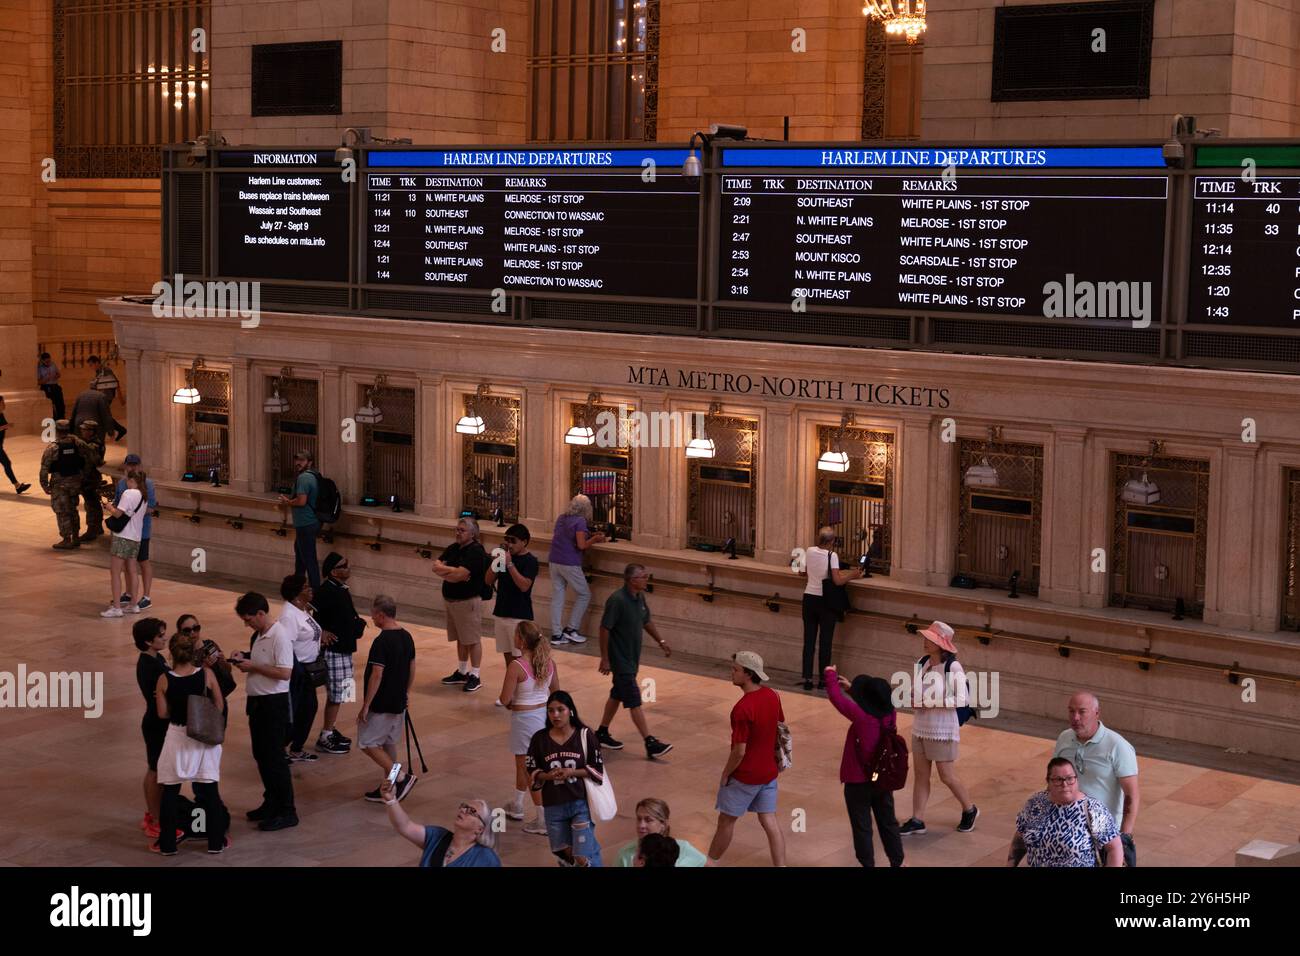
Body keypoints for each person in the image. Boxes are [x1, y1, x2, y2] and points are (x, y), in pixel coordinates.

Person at [707, 651, 787, 867]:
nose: (731, 672)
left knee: (725, 821)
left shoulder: (742, 709)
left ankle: (710, 864)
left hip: (746, 776)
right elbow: (778, 724)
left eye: (735, 669)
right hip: (769, 772)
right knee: (769, 820)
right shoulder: (773, 695)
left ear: (749, 674)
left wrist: (726, 773)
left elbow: (739, 751)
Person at [899, 620, 979, 835]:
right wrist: (914, 698)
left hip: (942, 729)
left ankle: (969, 809)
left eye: (930, 640)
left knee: (946, 775)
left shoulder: (953, 667)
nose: (925, 642)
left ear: (941, 644)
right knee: (920, 774)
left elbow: (962, 699)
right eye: (926, 638)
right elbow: (918, 691)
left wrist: (930, 702)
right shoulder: (922, 662)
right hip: (921, 726)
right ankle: (918, 819)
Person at [152, 631, 229, 855]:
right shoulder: (206, 675)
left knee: (170, 791)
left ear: (172, 653)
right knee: (210, 790)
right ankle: (216, 842)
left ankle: (167, 845)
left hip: (177, 737)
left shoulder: (164, 679)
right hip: (203, 737)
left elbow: (163, 713)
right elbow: (219, 706)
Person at [229, 592, 297, 831]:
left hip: (273, 705)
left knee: (275, 758)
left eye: (249, 619)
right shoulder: (258, 635)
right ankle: (271, 802)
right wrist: (244, 657)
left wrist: (253, 666)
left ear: (261, 613)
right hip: (257, 703)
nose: (247, 623)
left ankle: (287, 810)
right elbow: (263, 660)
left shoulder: (280, 635)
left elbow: (285, 672)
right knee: (261, 756)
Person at [824, 664, 904, 867]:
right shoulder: (890, 715)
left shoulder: (861, 717)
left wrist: (830, 673)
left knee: (862, 826)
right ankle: (897, 861)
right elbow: (875, 703)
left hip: (858, 781)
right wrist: (853, 689)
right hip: (882, 779)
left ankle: (867, 864)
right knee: (888, 822)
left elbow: (836, 698)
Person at [1053, 691, 1140, 866]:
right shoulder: (1064, 738)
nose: (1075, 718)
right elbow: (1054, 779)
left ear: (1097, 713)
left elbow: (1132, 794)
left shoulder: (1117, 746)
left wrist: (1124, 837)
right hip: (1068, 828)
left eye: (1082, 712)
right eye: (1071, 711)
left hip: (1103, 833)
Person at [595, 563, 673, 758]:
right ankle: (650, 742)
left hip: (631, 658)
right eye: (643, 577)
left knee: (617, 694)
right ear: (631, 580)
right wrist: (605, 658)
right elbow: (604, 628)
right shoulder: (617, 600)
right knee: (634, 699)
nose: (647, 580)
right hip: (620, 660)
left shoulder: (639, 597)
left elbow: (646, 621)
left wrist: (661, 641)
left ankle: (602, 733)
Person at [526, 690, 605, 866]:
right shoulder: (539, 739)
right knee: (564, 854)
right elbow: (531, 768)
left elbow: (598, 770)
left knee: (582, 856)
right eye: (551, 710)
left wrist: (572, 772)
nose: (555, 715)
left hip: (579, 803)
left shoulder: (585, 735)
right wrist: (547, 775)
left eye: (560, 709)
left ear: (570, 711)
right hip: (553, 805)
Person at [498, 621, 558, 835]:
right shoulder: (549, 663)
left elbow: (504, 698)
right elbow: (556, 692)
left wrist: (511, 704)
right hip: (542, 717)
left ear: (521, 640)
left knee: (528, 768)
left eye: (516, 634)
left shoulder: (517, 666)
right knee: (523, 764)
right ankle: (517, 804)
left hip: (524, 720)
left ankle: (542, 819)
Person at [358, 594, 418, 803]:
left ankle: (400, 776)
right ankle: (389, 786)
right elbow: (412, 667)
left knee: (367, 743)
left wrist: (366, 705)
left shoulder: (382, 641)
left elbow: (377, 674)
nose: (372, 619)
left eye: (373, 615)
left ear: (381, 615)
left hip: (382, 702)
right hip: (398, 700)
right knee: (388, 743)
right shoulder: (407, 636)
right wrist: (406, 692)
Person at [1010, 757, 1122, 867]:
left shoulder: (1093, 809)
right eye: (1058, 780)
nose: (1065, 785)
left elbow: (1114, 848)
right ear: (1048, 782)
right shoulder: (1035, 804)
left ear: (1076, 779)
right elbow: (1020, 836)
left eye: (1070, 778)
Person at [312, 552, 364, 754]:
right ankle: (325, 735)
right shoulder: (326, 590)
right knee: (336, 694)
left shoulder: (340, 589)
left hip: (345, 650)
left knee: (343, 692)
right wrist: (321, 632)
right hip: (334, 652)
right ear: (334, 571)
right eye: (344, 565)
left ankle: (330, 728)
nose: (348, 568)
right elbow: (308, 613)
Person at [801, 526, 863, 690]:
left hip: (808, 599)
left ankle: (807, 678)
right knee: (825, 642)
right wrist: (853, 575)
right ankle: (823, 680)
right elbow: (837, 581)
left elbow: (802, 572)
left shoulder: (809, 551)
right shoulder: (832, 555)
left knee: (809, 641)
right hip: (825, 602)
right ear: (832, 541)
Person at [379, 785, 500, 868]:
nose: (463, 810)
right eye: (464, 806)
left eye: (471, 811)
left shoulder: (486, 858)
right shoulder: (437, 836)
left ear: (480, 829)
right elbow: (404, 826)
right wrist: (391, 800)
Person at [435, 516, 489, 692]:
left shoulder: (476, 551)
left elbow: (461, 575)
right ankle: (462, 671)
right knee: (460, 638)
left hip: (468, 601)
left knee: (472, 639)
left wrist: (449, 572)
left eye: (462, 530)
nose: (457, 533)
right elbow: (436, 566)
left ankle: (476, 674)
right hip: (451, 601)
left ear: (472, 533)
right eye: (457, 529)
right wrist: (452, 571)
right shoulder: (453, 548)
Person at [548, 494, 606, 646]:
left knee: (558, 596)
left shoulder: (562, 518)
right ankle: (571, 629)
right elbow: (581, 545)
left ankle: (556, 634)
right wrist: (594, 539)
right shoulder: (580, 521)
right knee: (584, 594)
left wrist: (589, 535)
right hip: (569, 562)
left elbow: (568, 536)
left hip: (554, 560)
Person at [278, 574, 323, 763]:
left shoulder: (302, 610)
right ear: (296, 592)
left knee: (309, 708)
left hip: (308, 671)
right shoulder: (289, 615)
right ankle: (281, 749)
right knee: (294, 711)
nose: (310, 588)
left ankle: (296, 748)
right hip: (298, 671)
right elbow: (286, 644)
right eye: (306, 586)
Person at [134, 617, 171, 841]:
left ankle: (156, 814)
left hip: (159, 722)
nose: (165, 637)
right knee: (155, 770)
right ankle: (154, 819)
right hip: (156, 723)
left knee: (160, 768)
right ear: (148, 641)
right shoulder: (149, 665)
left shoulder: (156, 658)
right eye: (160, 635)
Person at [486, 523, 539, 674]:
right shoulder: (503, 559)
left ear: (524, 542)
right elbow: (488, 580)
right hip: (502, 611)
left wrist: (509, 564)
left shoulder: (530, 561)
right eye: (507, 540)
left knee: (520, 658)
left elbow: (524, 586)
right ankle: (513, 687)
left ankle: (523, 686)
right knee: (508, 656)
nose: (509, 544)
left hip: (519, 616)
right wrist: (495, 562)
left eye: (513, 541)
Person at [38, 419, 94, 549]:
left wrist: (44, 485)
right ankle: (75, 537)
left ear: (56, 431)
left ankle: (66, 539)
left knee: (62, 511)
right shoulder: (78, 444)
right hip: (75, 483)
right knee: (73, 509)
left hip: (60, 484)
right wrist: (83, 476)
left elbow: (44, 468)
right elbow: (88, 459)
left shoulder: (53, 447)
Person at [101, 471, 147, 617]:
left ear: (132, 480)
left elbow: (118, 514)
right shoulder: (143, 496)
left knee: (115, 572)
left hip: (122, 537)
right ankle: (134, 604)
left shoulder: (129, 493)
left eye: (128, 480)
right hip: (136, 537)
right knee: (132, 571)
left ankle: (116, 607)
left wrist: (108, 507)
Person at [114, 454, 157, 611]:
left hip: (141, 530)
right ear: (126, 466)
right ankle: (129, 593)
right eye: (129, 465)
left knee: (143, 561)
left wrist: (132, 510)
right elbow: (117, 504)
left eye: (135, 465)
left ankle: (146, 596)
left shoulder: (148, 484)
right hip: (125, 530)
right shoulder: (121, 484)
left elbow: (151, 507)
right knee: (127, 563)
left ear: (139, 466)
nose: (132, 468)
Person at [615, 798, 708, 867]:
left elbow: (707, 863)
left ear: (663, 824)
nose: (641, 825)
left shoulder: (683, 848)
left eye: (648, 820)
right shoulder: (624, 853)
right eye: (639, 819)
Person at [277, 450, 321, 587]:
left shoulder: (303, 478)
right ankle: (298, 587)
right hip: (311, 522)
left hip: (305, 523)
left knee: (308, 560)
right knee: (301, 558)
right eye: (297, 460)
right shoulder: (315, 476)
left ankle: (314, 592)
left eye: (302, 460)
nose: (298, 463)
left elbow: (301, 501)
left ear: (310, 462)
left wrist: (287, 502)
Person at [76, 419, 106, 543]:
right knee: (93, 503)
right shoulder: (89, 443)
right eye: (82, 429)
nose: (82, 431)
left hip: (90, 478)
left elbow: (96, 461)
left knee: (91, 505)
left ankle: (92, 530)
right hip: (88, 477)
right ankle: (97, 527)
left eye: (85, 429)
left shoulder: (94, 445)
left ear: (92, 431)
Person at [85, 354, 126, 440]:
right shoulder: (99, 372)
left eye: (91, 365)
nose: (91, 367)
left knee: (103, 415)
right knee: (104, 415)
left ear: (96, 363)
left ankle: (117, 430)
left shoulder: (106, 370)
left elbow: (115, 382)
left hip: (107, 396)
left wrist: (120, 397)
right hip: (102, 397)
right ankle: (120, 429)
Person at [0, 396, 30, 495]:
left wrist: (5, 426)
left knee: (7, 464)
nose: (4, 404)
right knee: (7, 463)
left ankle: (17, 486)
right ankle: (17, 486)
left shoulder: (1, 414)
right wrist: (6, 426)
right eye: (2, 403)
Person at [37, 352, 65, 421]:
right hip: (46, 387)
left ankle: (61, 419)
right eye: (47, 362)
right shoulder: (39, 368)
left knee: (60, 404)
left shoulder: (53, 365)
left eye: (49, 361)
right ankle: (52, 420)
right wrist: (46, 379)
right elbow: (38, 382)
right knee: (49, 406)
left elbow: (59, 374)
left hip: (55, 386)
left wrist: (56, 376)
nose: (49, 363)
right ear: (42, 361)